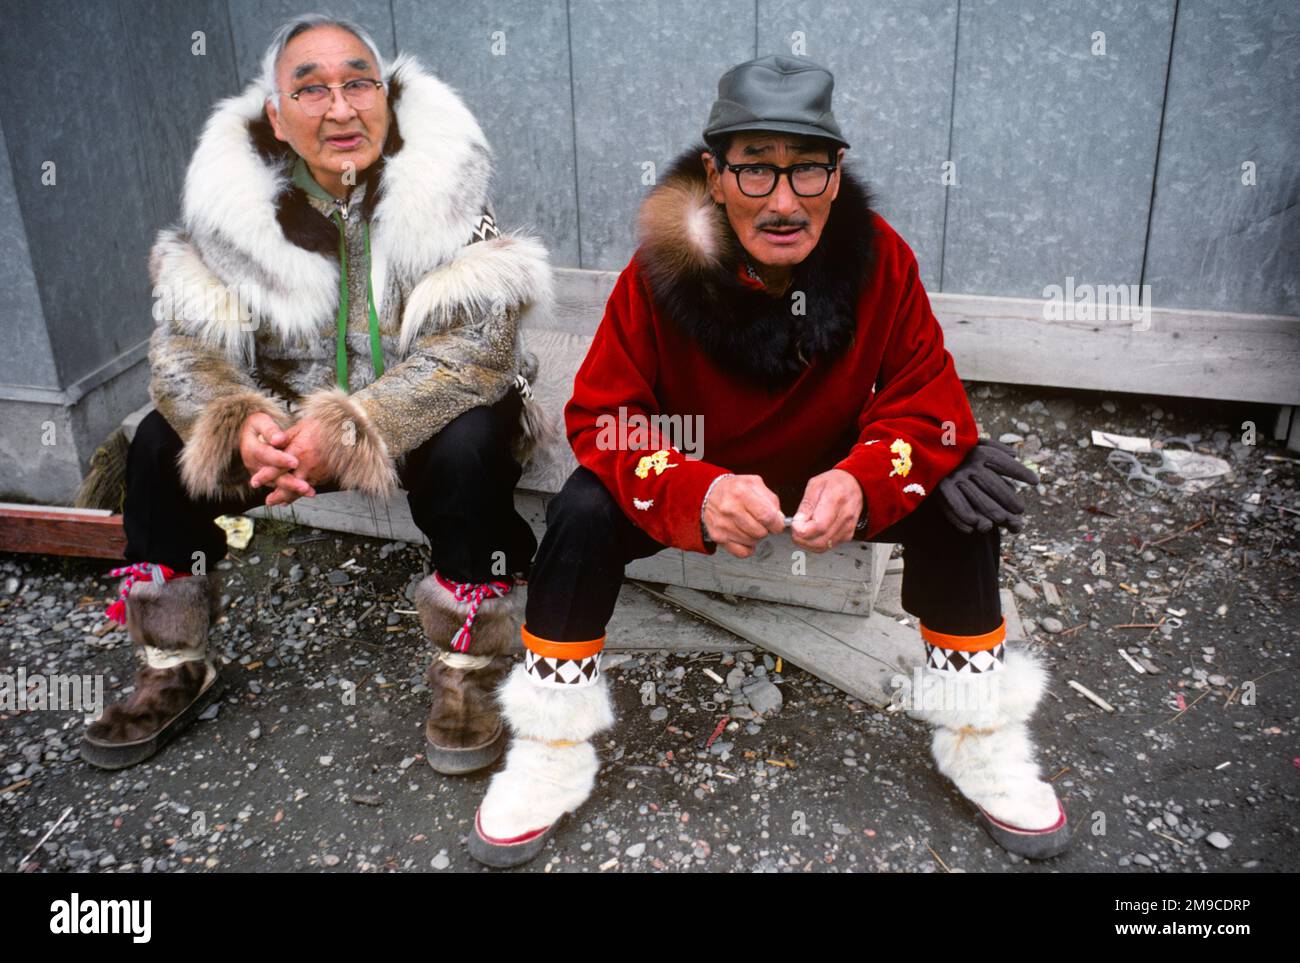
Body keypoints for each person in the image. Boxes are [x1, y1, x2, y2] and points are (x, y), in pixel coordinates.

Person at [468, 54, 1070, 867]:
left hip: (835, 464)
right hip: (703, 468)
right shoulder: (658, 269)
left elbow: (927, 390)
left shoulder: (881, 256)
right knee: (580, 508)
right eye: (755, 169)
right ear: (715, 174)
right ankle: (550, 744)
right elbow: (603, 417)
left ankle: (978, 731)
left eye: (807, 170)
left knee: (956, 488)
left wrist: (866, 475)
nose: (783, 201)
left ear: (837, 172)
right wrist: (692, 486)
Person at [81, 15, 553, 774]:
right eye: (311, 89)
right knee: (158, 442)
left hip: (411, 414)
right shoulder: (233, 210)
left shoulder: (444, 188)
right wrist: (240, 426)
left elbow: (476, 348)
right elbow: (181, 348)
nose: (341, 109)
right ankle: (174, 659)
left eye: (358, 83)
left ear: (388, 96)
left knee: (475, 437)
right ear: (276, 114)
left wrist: (358, 425)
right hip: (282, 428)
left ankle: (467, 665)